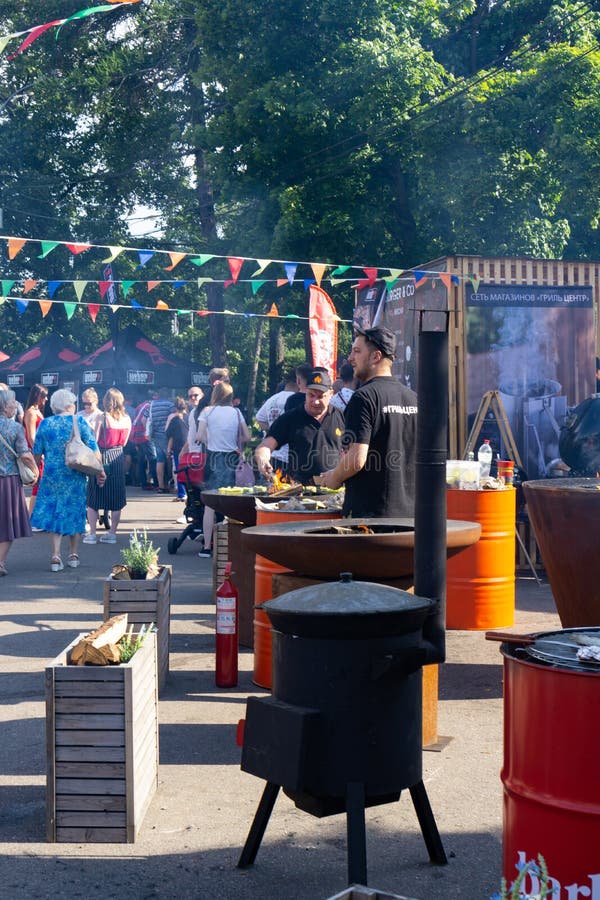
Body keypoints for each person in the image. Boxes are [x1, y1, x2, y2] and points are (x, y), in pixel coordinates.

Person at [320, 327, 418, 517]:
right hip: (411, 518)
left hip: (371, 520)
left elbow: (356, 459)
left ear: (375, 357)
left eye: (357, 351)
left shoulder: (363, 398)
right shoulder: (414, 399)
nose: (350, 358)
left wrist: (334, 478)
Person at [31, 388, 105, 571]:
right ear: (68, 405)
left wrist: (34, 472)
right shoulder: (79, 421)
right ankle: (73, 554)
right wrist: (100, 471)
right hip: (75, 474)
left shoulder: (46, 424)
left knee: (56, 511)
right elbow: (94, 449)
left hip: (52, 475)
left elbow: (36, 452)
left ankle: (55, 555)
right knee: (75, 511)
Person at [255, 369, 344, 485]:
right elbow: (266, 445)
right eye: (311, 395)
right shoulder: (291, 418)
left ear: (331, 394)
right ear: (305, 392)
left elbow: (351, 450)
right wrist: (263, 459)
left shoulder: (341, 416)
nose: (315, 401)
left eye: (320, 396)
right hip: (298, 489)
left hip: (334, 488)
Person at [197, 381, 250, 558]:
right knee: (232, 503)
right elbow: (247, 436)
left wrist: (209, 440)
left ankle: (206, 546)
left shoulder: (207, 411)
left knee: (209, 505)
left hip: (213, 457)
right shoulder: (236, 412)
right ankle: (231, 546)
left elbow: (199, 435)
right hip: (232, 458)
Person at [84, 388, 132, 545]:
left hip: (101, 456)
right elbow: (124, 443)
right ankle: (112, 533)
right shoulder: (127, 419)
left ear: (106, 401)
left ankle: (92, 534)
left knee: (94, 496)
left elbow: (94, 440)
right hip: (118, 457)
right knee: (116, 497)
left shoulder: (102, 417)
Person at [0, 389, 37, 575]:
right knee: (7, 523)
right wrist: (35, 471)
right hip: (7, 481)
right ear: (5, 407)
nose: (16, 405)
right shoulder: (15, 428)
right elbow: (24, 455)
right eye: (14, 402)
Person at [255, 372, 298, 475]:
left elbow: (259, 418)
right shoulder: (296, 399)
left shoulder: (273, 399)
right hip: (289, 454)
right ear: (298, 381)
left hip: (271, 453)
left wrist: (273, 433)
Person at [23, 384, 48, 515]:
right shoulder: (32, 413)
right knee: (37, 487)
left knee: (40, 486)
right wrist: (40, 453)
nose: (46, 399)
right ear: (37, 396)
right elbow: (31, 437)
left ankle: (36, 516)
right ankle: (31, 517)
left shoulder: (36, 411)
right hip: (36, 454)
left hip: (39, 452)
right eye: (44, 396)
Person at [146, 387, 175, 492]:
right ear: (168, 395)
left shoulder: (151, 405)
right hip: (167, 435)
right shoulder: (170, 405)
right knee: (169, 458)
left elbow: (144, 419)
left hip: (156, 435)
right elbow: (174, 417)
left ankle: (161, 485)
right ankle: (170, 484)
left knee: (160, 460)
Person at [166, 397, 189, 501]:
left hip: (178, 448)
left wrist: (168, 449)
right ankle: (190, 493)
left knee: (179, 470)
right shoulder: (190, 417)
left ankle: (182, 494)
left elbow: (170, 436)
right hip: (189, 448)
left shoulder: (174, 420)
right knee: (189, 471)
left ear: (175, 407)